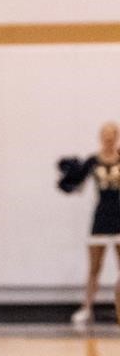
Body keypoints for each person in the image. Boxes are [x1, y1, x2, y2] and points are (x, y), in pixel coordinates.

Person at [60, 122, 120, 332]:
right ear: (100, 137)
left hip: (119, 217)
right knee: (94, 267)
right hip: (101, 218)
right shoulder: (93, 161)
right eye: (105, 136)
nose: (108, 139)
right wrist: (68, 180)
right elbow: (76, 183)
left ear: (117, 137)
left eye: (112, 136)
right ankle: (87, 307)